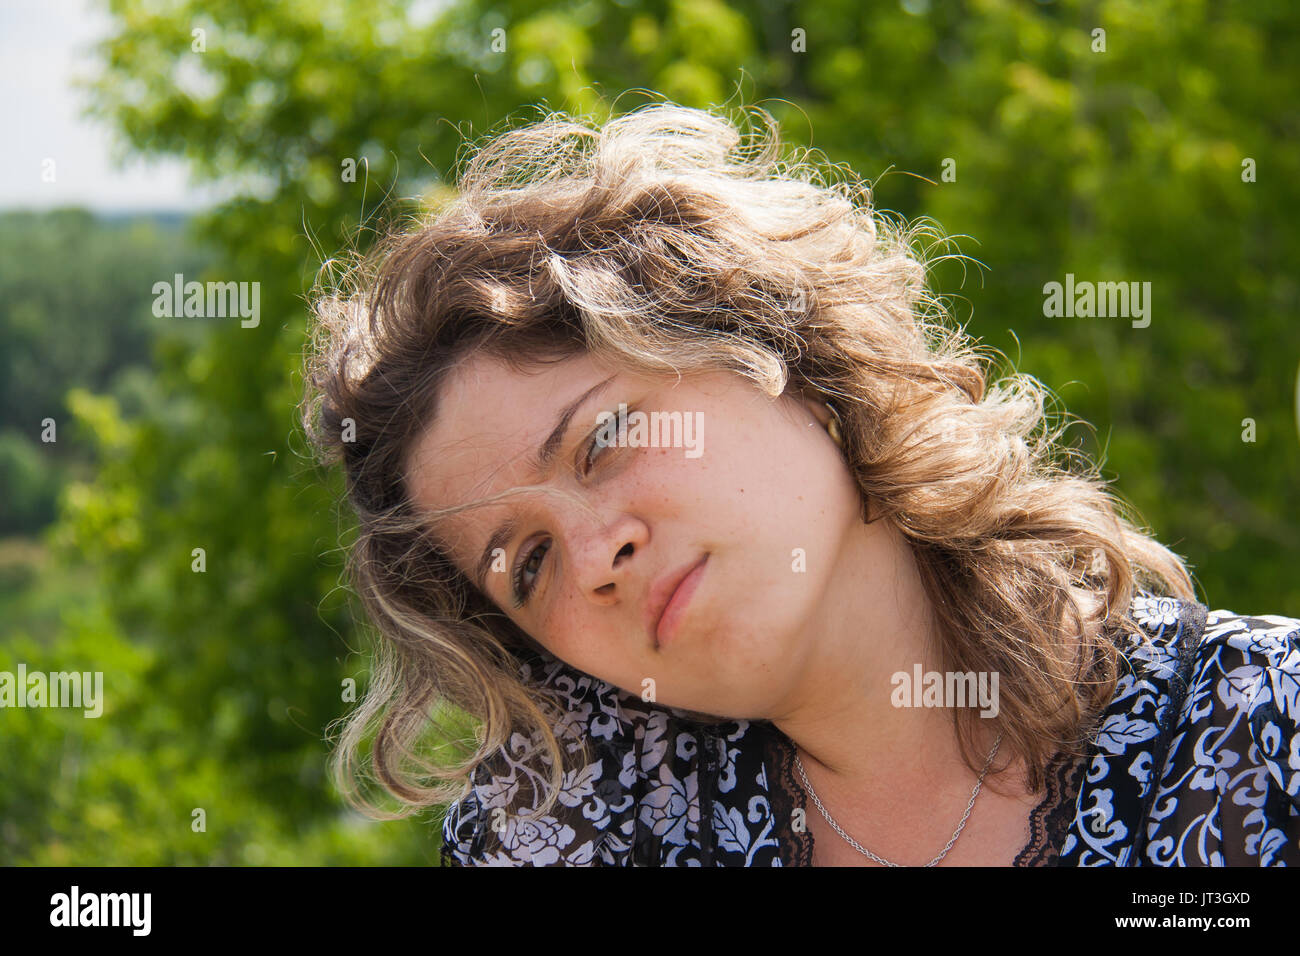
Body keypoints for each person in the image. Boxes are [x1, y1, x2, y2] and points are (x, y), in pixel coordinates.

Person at [300, 102, 1300, 866]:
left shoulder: (1264, 733)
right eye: (528, 563)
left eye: (603, 439)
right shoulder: (566, 828)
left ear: (775, 350)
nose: (598, 553)